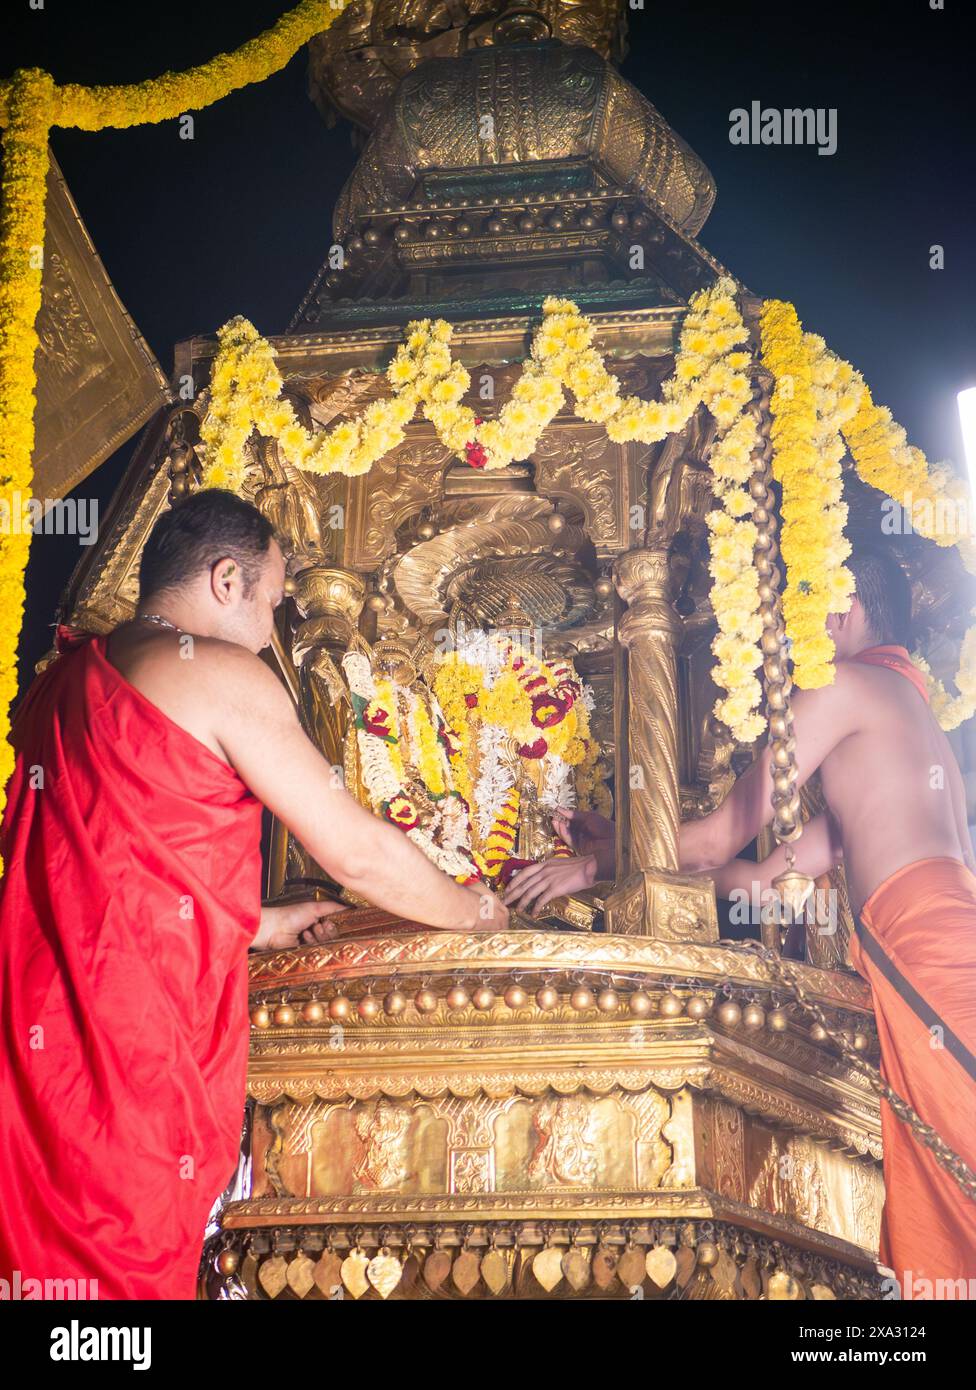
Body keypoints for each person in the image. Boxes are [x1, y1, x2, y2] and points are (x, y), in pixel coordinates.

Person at [0, 489, 506, 1301]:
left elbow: (105, 871)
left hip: (33, 1047)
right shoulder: (218, 675)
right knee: (115, 1278)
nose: (272, 632)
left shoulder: (64, 681)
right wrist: (482, 913)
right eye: (272, 602)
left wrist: (260, 923)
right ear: (227, 580)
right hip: (123, 1057)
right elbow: (358, 854)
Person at [507, 547, 976, 1286]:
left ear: (841, 609)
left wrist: (595, 868)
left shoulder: (846, 688)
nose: (782, 647)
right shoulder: (909, 713)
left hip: (927, 954)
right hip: (941, 940)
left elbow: (722, 836)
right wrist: (619, 842)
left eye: (791, 622)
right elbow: (760, 874)